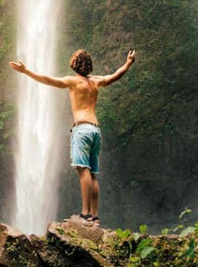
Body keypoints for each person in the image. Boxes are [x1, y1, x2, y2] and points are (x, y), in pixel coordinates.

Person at [10, 48, 136, 226]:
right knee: (92, 173)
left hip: (82, 128)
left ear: (76, 63)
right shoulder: (96, 82)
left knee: (82, 169)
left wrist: (26, 71)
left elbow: (48, 80)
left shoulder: (73, 81)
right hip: (95, 130)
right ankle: (95, 215)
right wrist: (128, 62)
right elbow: (116, 75)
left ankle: (85, 214)